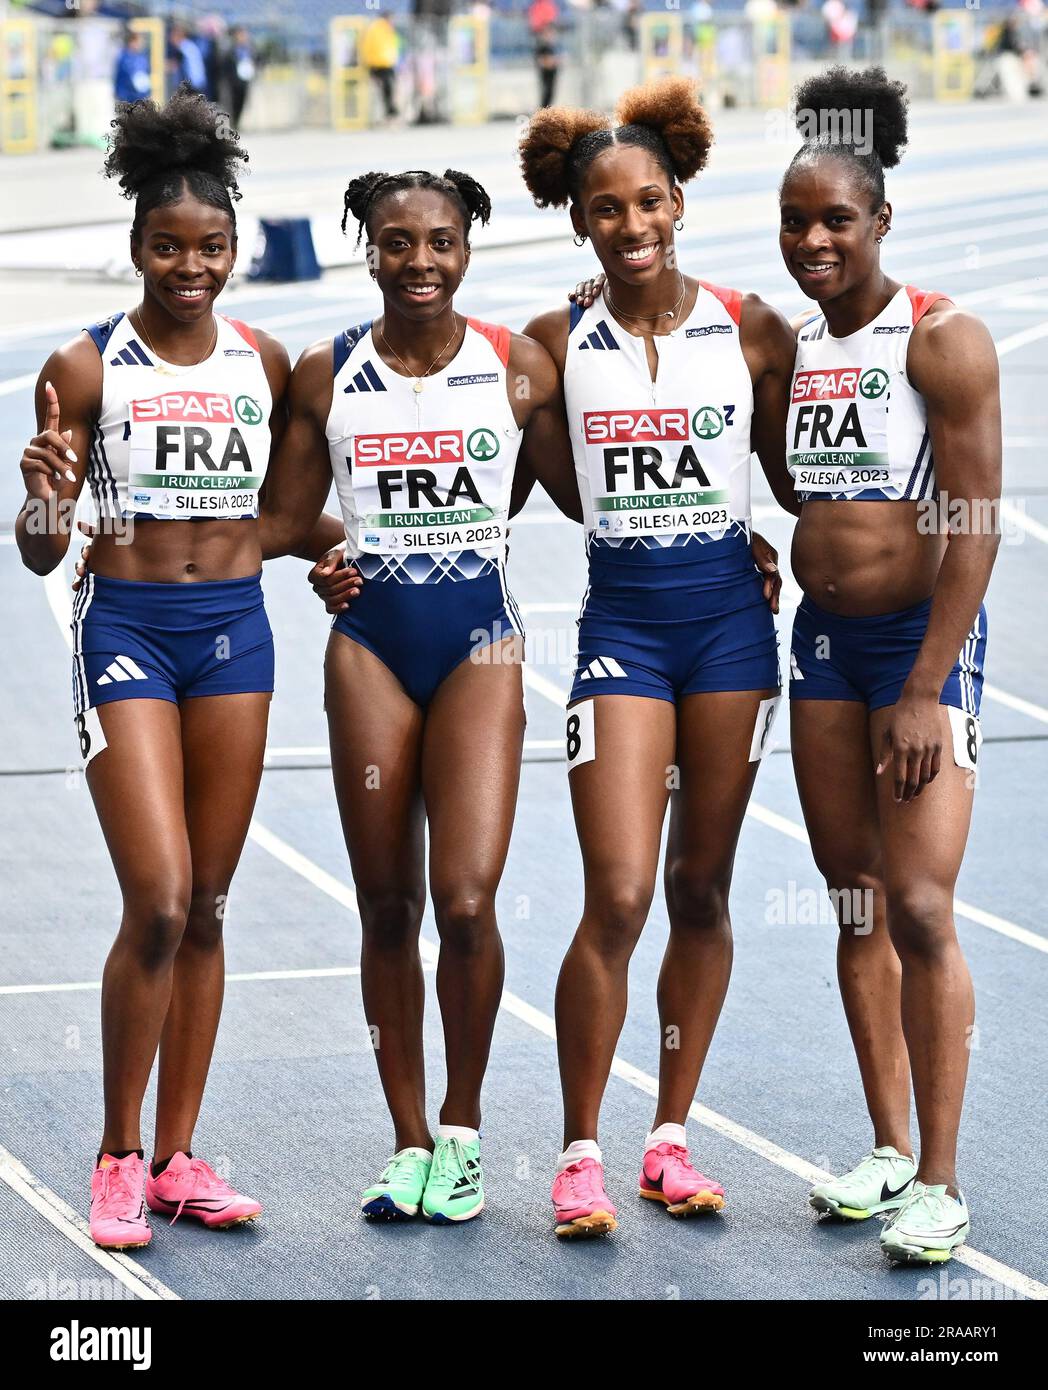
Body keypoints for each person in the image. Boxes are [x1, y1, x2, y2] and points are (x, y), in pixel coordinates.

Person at [16, 87, 346, 1251]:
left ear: (236, 250)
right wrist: (43, 500)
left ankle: (177, 1156)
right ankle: (113, 1153)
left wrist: (335, 554)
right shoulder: (88, 362)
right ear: (136, 248)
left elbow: (291, 516)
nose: (188, 268)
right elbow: (40, 550)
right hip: (125, 634)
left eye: (209, 248)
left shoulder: (266, 361)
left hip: (235, 640)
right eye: (167, 247)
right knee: (155, 897)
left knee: (208, 902)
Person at [518, 78, 798, 1238]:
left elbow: (802, 483)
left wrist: (777, 541)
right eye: (604, 212)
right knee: (621, 890)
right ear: (579, 221)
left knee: (699, 888)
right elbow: (531, 481)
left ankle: (669, 1135)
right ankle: (581, 1148)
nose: (630, 229)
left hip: (732, 631)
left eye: (647, 205)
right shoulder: (549, 340)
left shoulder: (753, 327)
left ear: (677, 201)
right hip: (623, 631)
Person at [274, 168, 580, 1223]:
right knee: (388, 904)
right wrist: (326, 552)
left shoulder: (517, 366)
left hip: (479, 644)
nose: (419, 262)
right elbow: (277, 517)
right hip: (368, 644)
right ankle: (406, 1140)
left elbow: (593, 493)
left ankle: (462, 1129)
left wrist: (744, 539)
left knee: (465, 898)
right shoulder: (325, 371)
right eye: (396, 242)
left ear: (467, 249)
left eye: (440, 242)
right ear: (366, 246)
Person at [779, 67, 1001, 1264]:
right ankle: (883, 1143)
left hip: (916, 658)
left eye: (835, 220)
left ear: (879, 222)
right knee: (853, 888)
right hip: (819, 649)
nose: (813, 239)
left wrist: (925, 682)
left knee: (917, 903)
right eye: (795, 221)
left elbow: (975, 521)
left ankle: (944, 1177)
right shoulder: (801, 348)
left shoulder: (941, 337)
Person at [113, 29, 152, 108]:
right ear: (131, 42)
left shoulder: (142, 58)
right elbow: (119, 77)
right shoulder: (123, 57)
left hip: (141, 98)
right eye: (137, 41)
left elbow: (146, 75)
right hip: (127, 98)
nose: (139, 44)